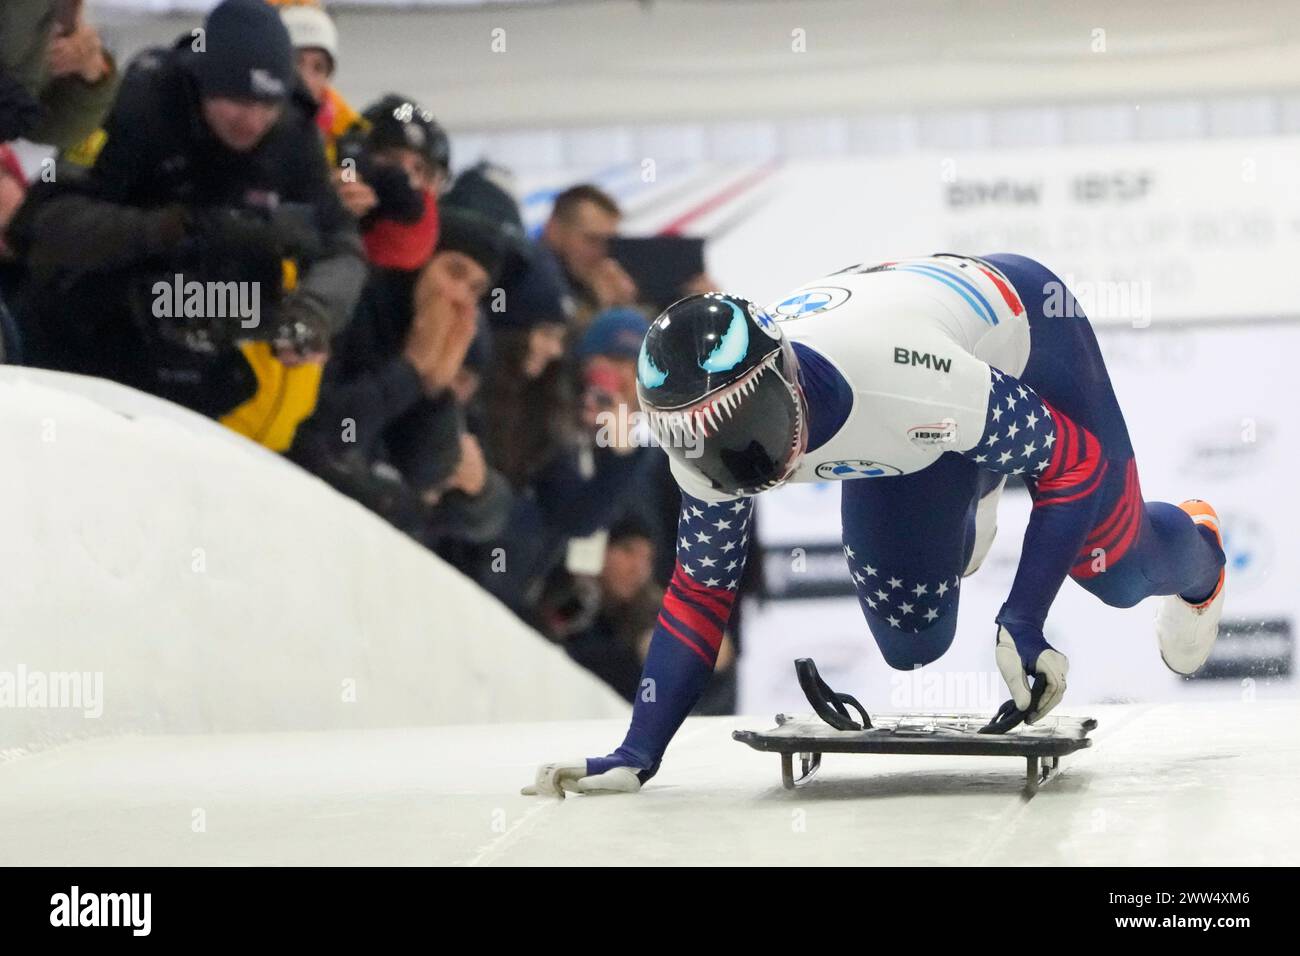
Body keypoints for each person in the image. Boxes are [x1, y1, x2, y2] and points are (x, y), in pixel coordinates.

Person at [524, 252, 1228, 797]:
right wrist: (636, 753)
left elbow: (1075, 464)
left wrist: (1024, 618)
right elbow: (700, 593)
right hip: (933, 412)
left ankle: (1202, 556)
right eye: (705, 451)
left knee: (1112, 568)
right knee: (911, 641)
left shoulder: (900, 382)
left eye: (754, 435)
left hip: (1024, 341)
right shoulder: (706, 448)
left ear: (789, 380)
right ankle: (972, 472)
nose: (742, 469)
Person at [5, 0, 365, 420]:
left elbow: (341, 246)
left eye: (266, 106)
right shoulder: (141, 102)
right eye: (236, 102)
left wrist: (312, 313)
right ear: (203, 82)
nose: (251, 122)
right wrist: (177, 228)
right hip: (79, 347)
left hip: (195, 367)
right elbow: (42, 224)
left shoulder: (291, 133)